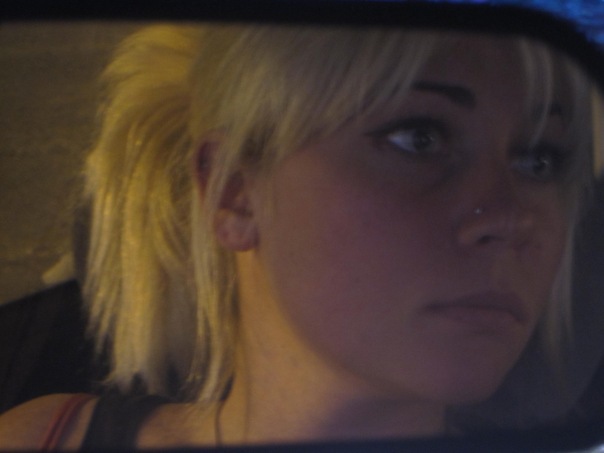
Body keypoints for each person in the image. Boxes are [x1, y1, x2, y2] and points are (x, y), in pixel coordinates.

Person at [0, 22, 600, 449]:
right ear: (234, 191)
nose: (511, 216)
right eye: (419, 137)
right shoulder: (40, 438)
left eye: (539, 160)